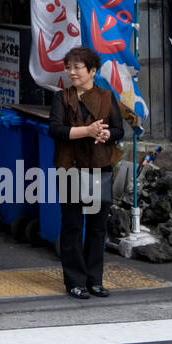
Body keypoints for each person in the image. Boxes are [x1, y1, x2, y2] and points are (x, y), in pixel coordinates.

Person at [48, 45, 127, 300]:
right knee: (72, 225)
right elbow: (56, 130)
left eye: (77, 67)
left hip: (99, 165)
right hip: (69, 166)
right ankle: (75, 281)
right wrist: (87, 131)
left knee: (97, 227)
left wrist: (105, 134)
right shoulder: (62, 98)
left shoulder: (106, 96)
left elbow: (119, 130)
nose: (72, 72)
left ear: (92, 70)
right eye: (68, 67)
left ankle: (95, 280)